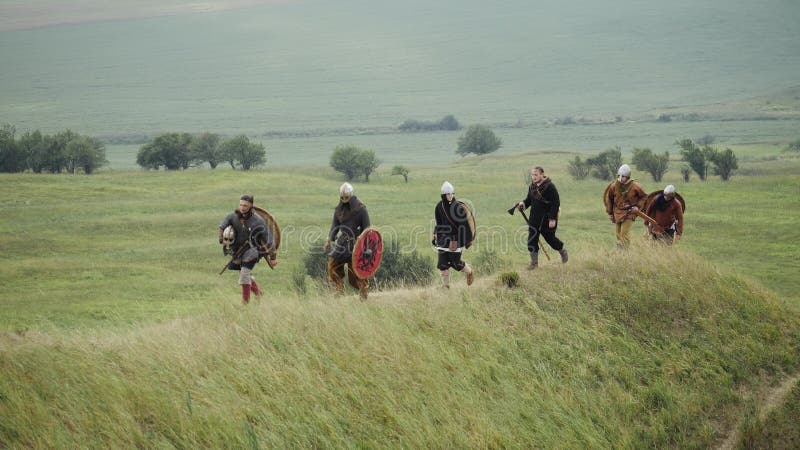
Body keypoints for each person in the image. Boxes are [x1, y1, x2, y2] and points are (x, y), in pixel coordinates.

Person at [219, 194, 277, 304]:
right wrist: (221, 235)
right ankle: (258, 293)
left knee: (244, 275)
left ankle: (245, 303)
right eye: (241, 204)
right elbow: (223, 224)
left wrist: (273, 257)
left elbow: (268, 239)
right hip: (237, 251)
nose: (242, 207)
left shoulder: (258, 221)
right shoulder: (233, 216)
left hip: (251, 251)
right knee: (244, 274)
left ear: (250, 206)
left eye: (245, 205)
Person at [324, 182, 371, 300]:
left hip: (356, 244)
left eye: (346, 197)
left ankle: (363, 289)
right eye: (342, 197)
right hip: (342, 243)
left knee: (355, 275)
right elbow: (335, 226)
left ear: (351, 195)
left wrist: (362, 242)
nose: (344, 200)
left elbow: (367, 228)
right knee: (332, 265)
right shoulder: (339, 210)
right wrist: (329, 239)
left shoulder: (361, 209)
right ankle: (339, 288)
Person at [516, 166, 568, 270]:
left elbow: (556, 203)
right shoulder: (532, 186)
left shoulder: (550, 186)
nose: (533, 177)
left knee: (551, 240)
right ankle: (534, 264)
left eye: (536, 174)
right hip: (534, 219)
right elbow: (529, 200)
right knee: (531, 240)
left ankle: (562, 251)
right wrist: (523, 204)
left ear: (542, 174)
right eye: (532, 175)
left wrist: (552, 219)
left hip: (547, 219)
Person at [433, 181, 475, 288]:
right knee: (442, 265)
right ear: (443, 195)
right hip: (443, 240)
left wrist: (459, 241)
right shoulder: (439, 207)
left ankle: (469, 272)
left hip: (456, 240)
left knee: (455, 263)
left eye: (452, 194)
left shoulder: (458, 208)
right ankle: (446, 287)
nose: (450, 196)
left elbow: (464, 227)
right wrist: (435, 234)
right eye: (448, 194)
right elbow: (439, 223)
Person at [604, 164, 648, 249]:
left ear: (628, 177)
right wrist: (610, 213)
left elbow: (644, 196)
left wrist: (638, 207)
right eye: (619, 176)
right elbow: (610, 199)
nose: (621, 178)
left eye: (623, 176)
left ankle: (625, 251)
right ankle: (621, 249)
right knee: (618, 233)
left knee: (624, 233)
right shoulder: (614, 186)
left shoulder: (635, 186)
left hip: (630, 212)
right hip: (617, 212)